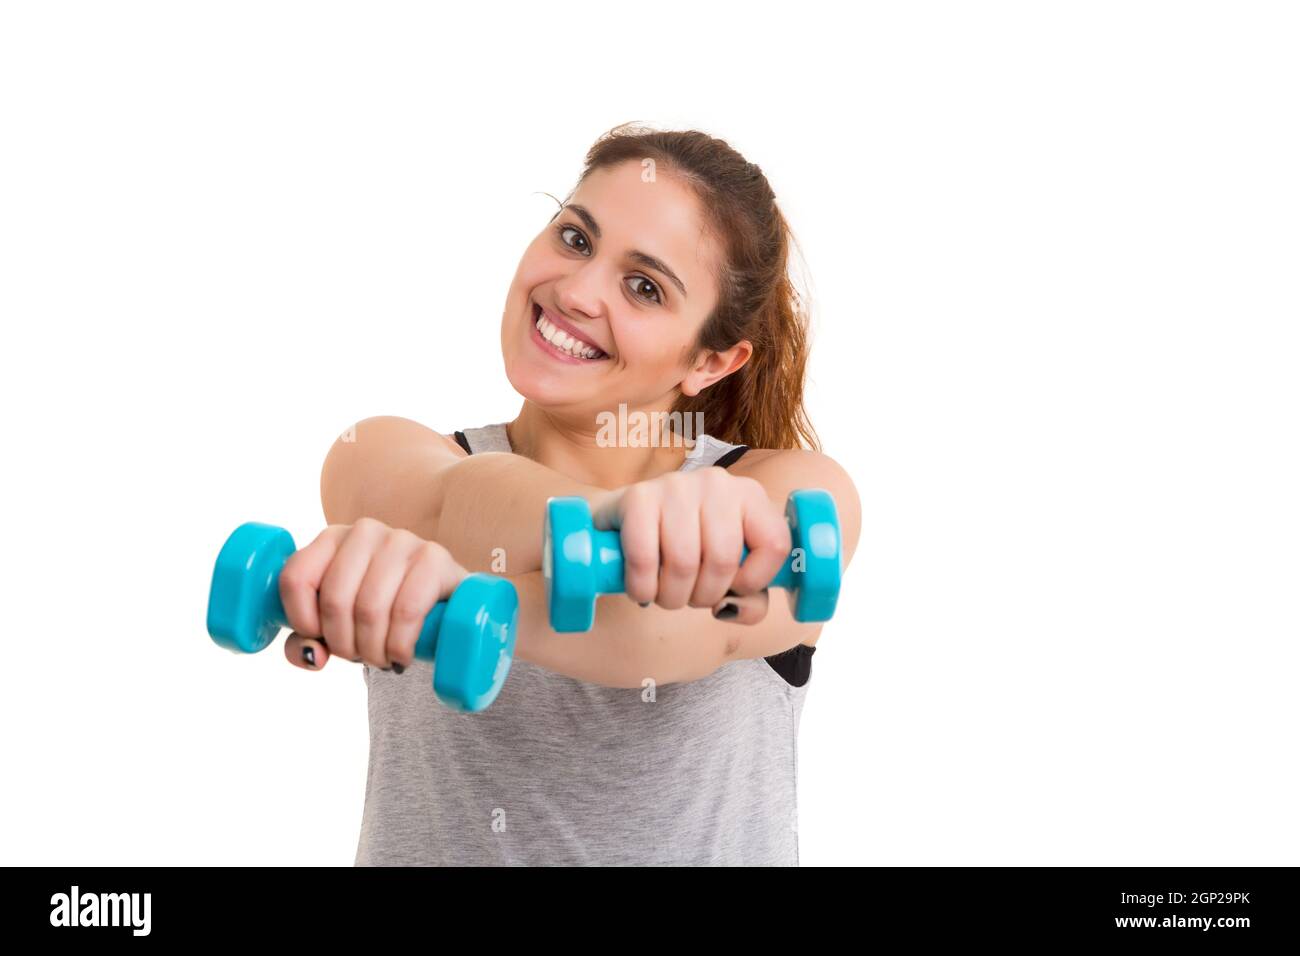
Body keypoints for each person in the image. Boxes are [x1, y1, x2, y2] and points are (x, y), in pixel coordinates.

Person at [277, 122, 862, 865]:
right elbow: (451, 501)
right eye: (577, 239)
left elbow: (652, 634)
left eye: (644, 287)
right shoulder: (386, 453)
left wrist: (448, 600)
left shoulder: (789, 496)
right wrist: (615, 520)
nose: (578, 292)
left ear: (713, 360)